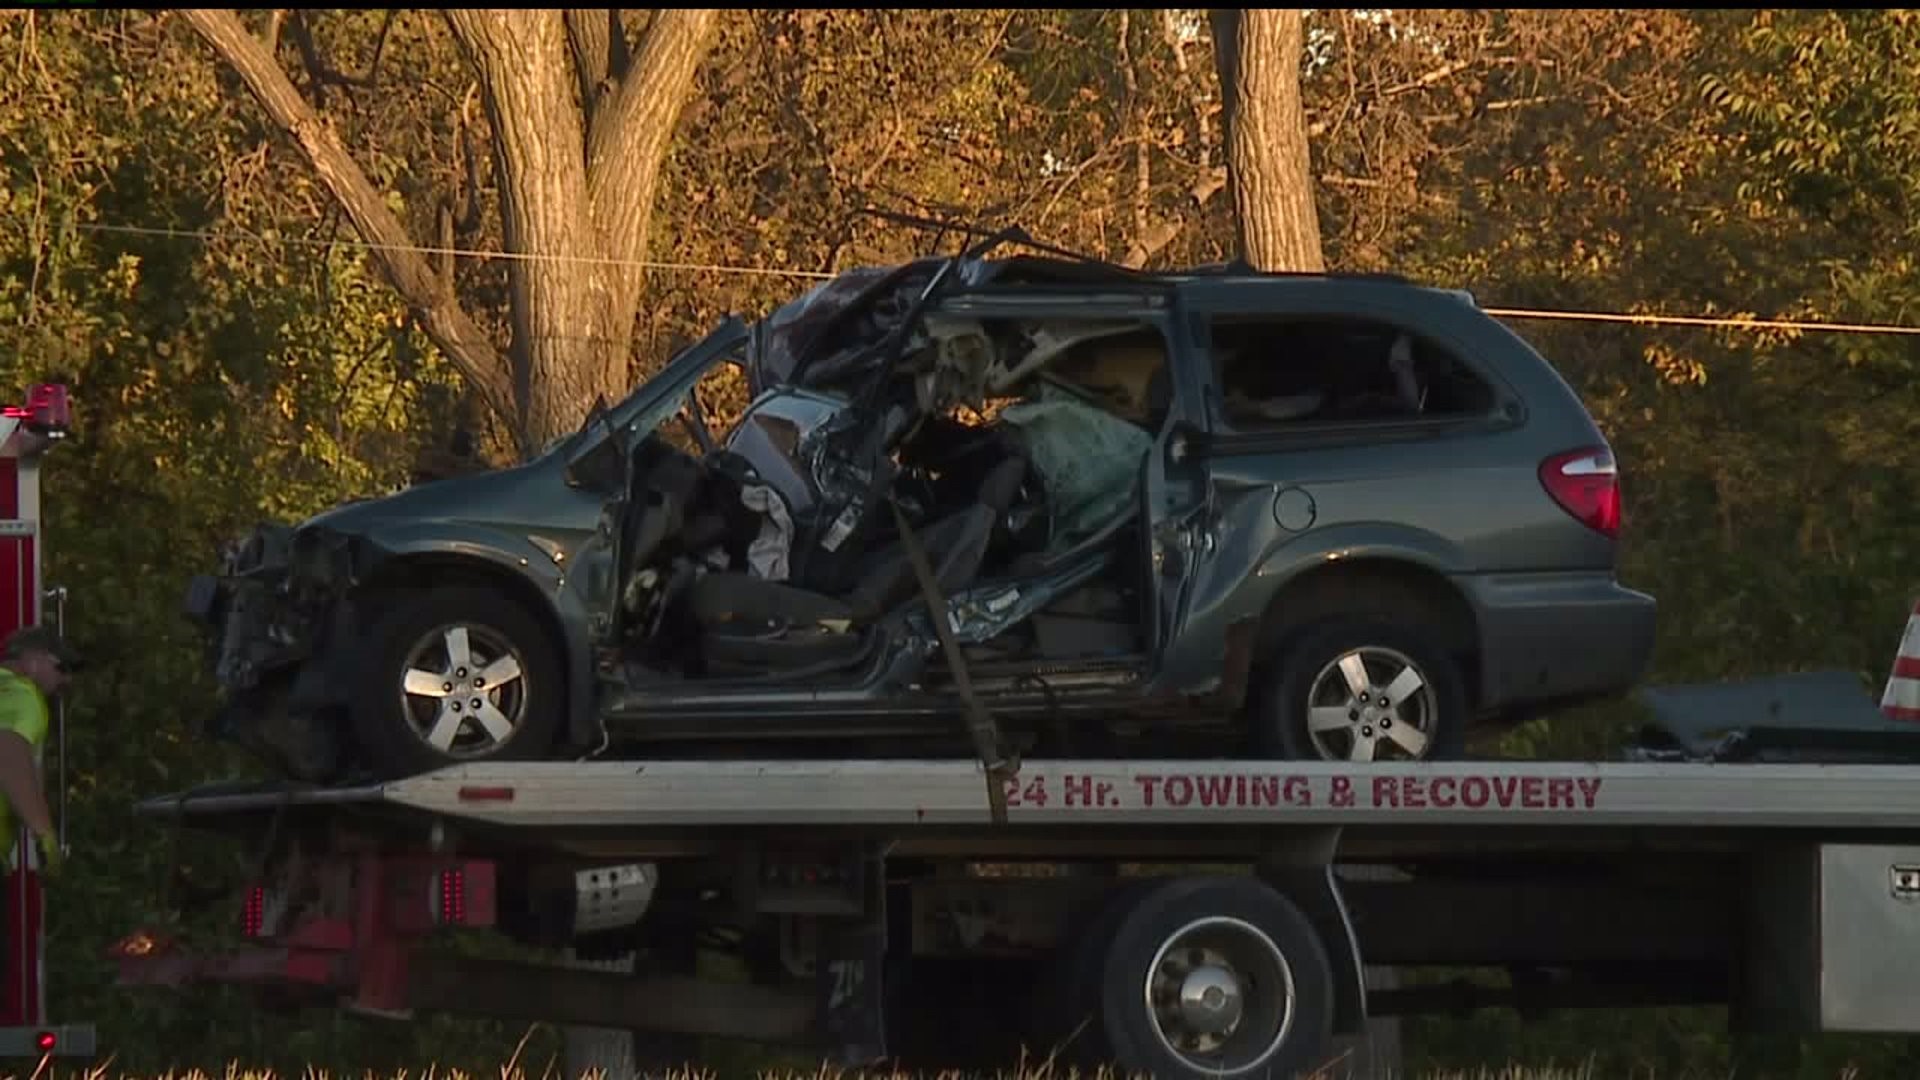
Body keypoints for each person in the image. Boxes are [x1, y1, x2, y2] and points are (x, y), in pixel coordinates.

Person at [0, 625, 78, 878]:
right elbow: (8, 747)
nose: (66, 680)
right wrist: (43, 832)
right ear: (34, 659)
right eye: (61, 668)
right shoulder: (23, 693)